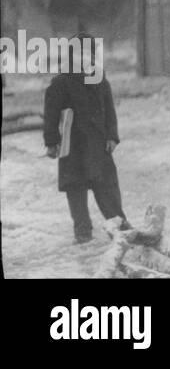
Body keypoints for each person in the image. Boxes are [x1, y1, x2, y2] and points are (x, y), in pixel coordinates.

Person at [42, 40, 130, 243]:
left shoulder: (98, 79)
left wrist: (112, 136)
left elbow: (109, 110)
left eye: (89, 53)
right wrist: (51, 142)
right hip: (73, 146)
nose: (85, 58)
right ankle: (82, 233)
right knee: (75, 189)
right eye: (80, 54)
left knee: (107, 189)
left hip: (99, 145)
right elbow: (51, 114)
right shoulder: (61, 82)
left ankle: (121, 228)